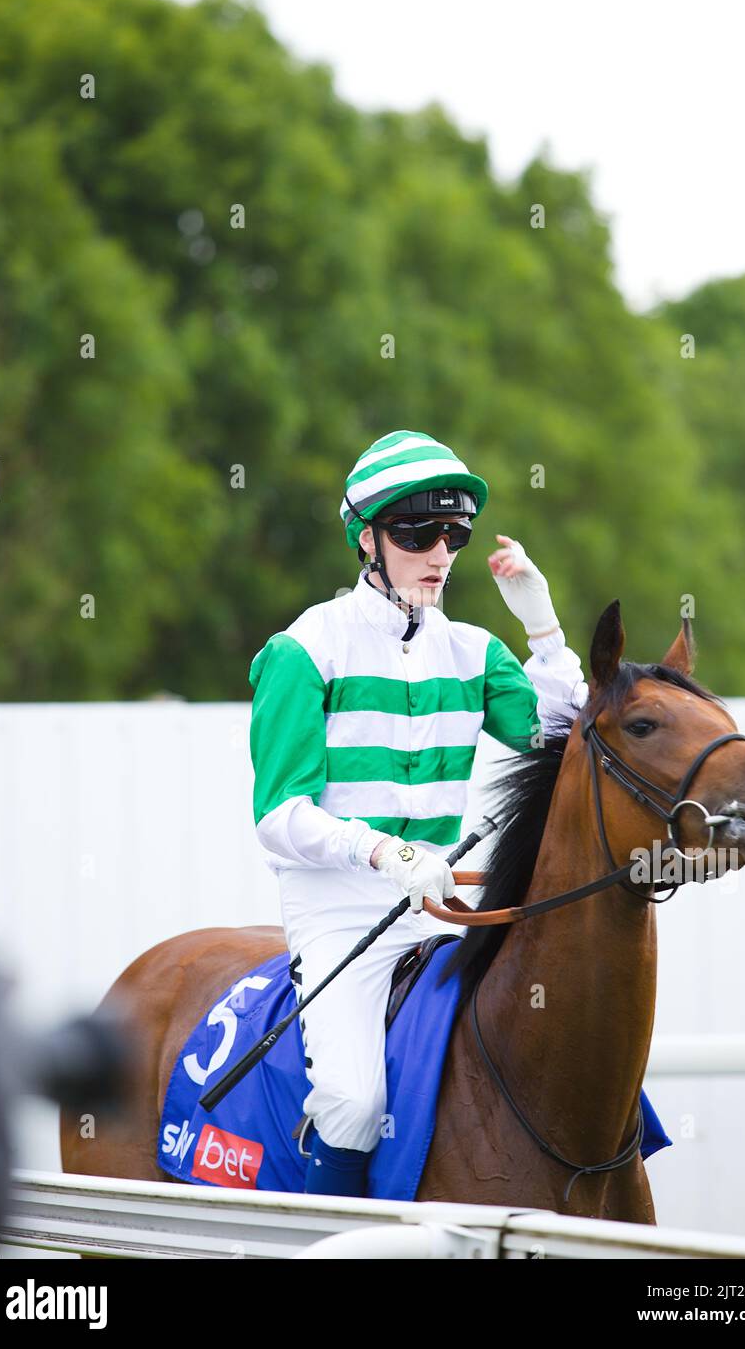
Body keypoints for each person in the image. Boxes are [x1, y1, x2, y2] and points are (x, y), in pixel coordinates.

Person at [248, 430, 588, 1197]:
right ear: (366, 539)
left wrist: (544, 631)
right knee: (353, 1103)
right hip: (339, 911)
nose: (439, 553)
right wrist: (384, 853)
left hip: (439, 906)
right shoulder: (304, 650)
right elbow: (278, 818)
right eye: (416, 534)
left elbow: (575, 738)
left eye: (453, 536)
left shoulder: (475, 652)